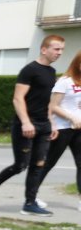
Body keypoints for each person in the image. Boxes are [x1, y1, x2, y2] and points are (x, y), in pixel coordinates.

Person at [0, 34, 65, 216]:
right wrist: (26, 123)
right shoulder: (29, 70)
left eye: (62, 49)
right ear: (44, 49)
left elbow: (47, 102)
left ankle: (30, 203)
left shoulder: (51, 72)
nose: (60, 52)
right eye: (56, 49)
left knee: (38, 164)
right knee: (20, 165)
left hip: (44, 125)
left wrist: (52, 124)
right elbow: (18, 98)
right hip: (26, 125)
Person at [39, 50, 81, 211]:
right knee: (49, 162)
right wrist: (72, 118)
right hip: (62, 128)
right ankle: (31, 196)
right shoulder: (65, 81)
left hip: (79, 129)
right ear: (77, 63)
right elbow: (53, 106)